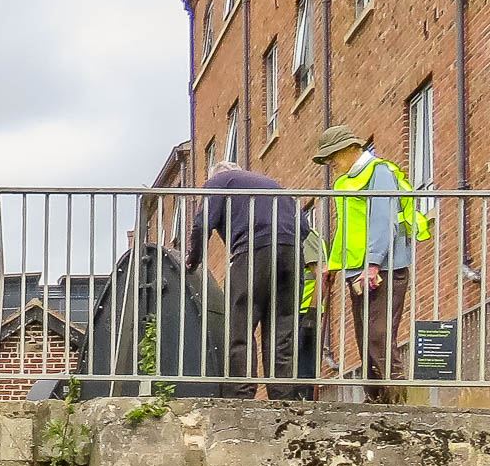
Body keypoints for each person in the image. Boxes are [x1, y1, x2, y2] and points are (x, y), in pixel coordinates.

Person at [312, 124, 432, 403]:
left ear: (351, 149)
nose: (331, 163)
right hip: (357, 270)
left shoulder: (379, 172)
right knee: (365, 338)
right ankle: (375, 398)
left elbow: (383, 219)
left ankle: (400, 400)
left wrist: (374, 263)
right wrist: (333, 263)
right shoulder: (344, 183)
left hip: (384, 269)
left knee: (378, 335)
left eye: (333, 156)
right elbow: (346, 227)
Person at [185, 161, 311, 400]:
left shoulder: (219, 182)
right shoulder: (275, 187)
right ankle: (282, 397)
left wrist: (195, 258)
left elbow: (202, 223)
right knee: (282, 330)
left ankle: (240, 395)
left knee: (240, 325)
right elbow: (304, 226)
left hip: (253, 252)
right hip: (292, 253)